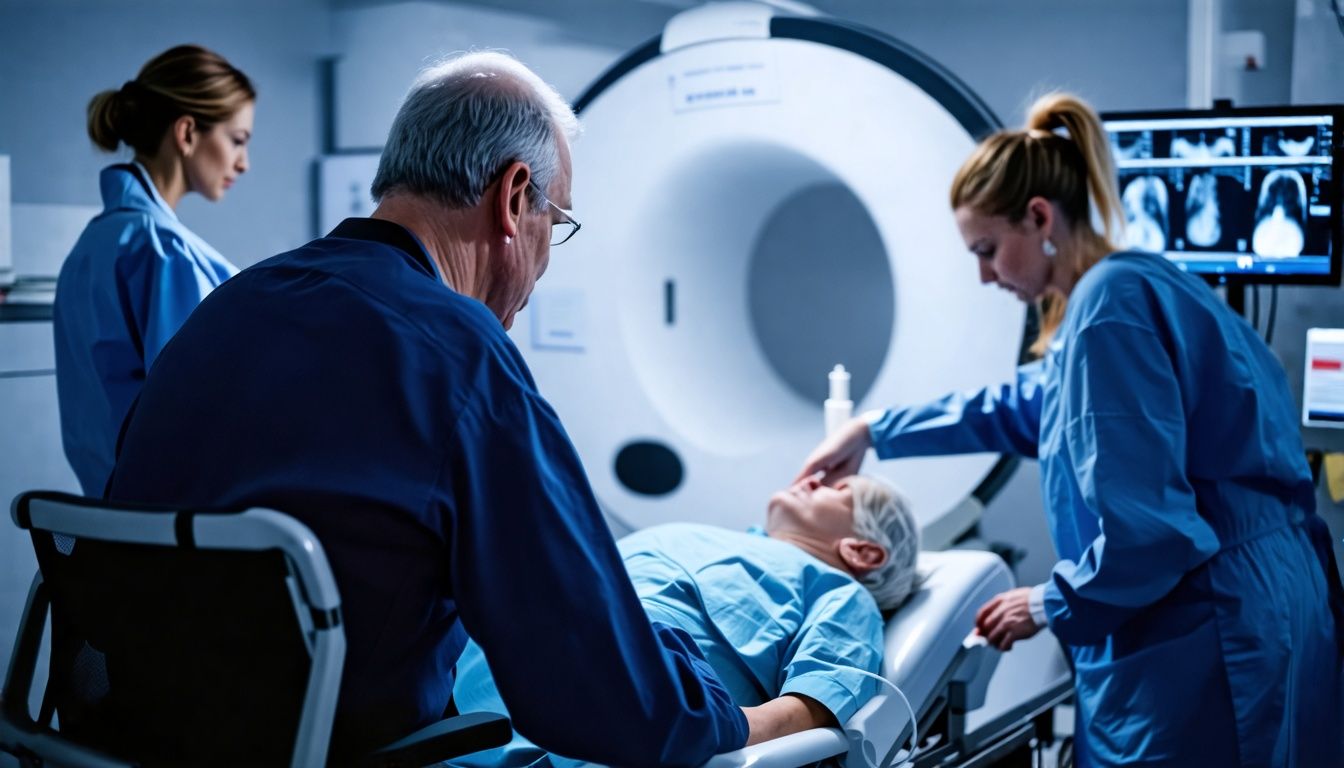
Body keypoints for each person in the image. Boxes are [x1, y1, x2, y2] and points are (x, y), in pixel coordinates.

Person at [106, 52, 748, 766]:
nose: (544, 261)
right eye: (556, 221)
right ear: (513, 197)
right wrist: (752, 713)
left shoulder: (231, 305)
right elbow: (622, 710)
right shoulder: (459, 354)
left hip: (137, 736)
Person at [796, 92, 1344, 766]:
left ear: (1039, 217)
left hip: (1210, 624)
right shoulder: (1138, 287)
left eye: (989, 250)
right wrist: (875, 429)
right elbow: (1025, 406)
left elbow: (1156, 534)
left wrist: (1049, 602)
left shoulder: (1110, 309)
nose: (984, 275)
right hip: (1262, 601)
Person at [449, 473, 921, 767]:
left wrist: (725, 730)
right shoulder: (713, 536)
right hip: (496, 675)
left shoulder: (842, 592)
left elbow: (815, 701)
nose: (815, 476)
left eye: (840, 491)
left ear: (862, 550)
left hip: (619, 697)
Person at [54, 44, 253, 496]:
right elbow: (193, 416)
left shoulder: (93, 245)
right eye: (237, 140)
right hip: (167, 527)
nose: (243, 162)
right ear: (186, 133)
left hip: (105, 521)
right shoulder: (163, 251)